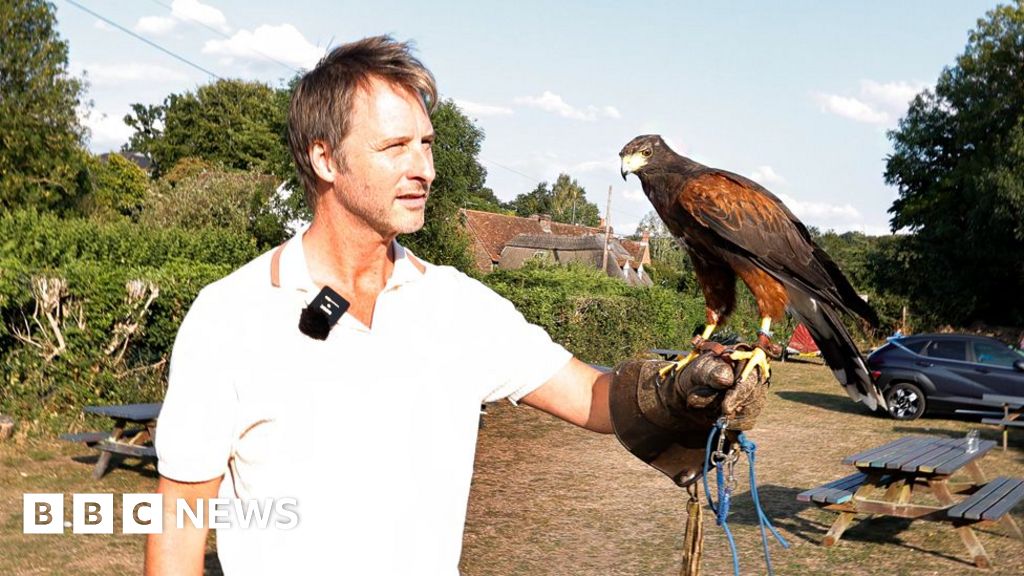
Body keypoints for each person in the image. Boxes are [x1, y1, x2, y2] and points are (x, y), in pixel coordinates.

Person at [145, 36, 764, 575]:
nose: (425, 169)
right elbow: (178, 528)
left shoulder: (459, 308)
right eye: (395, 146)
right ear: (324, 157)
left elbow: (594, 397)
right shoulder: (231, 317)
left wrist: (678, 390)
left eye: (427, 143)